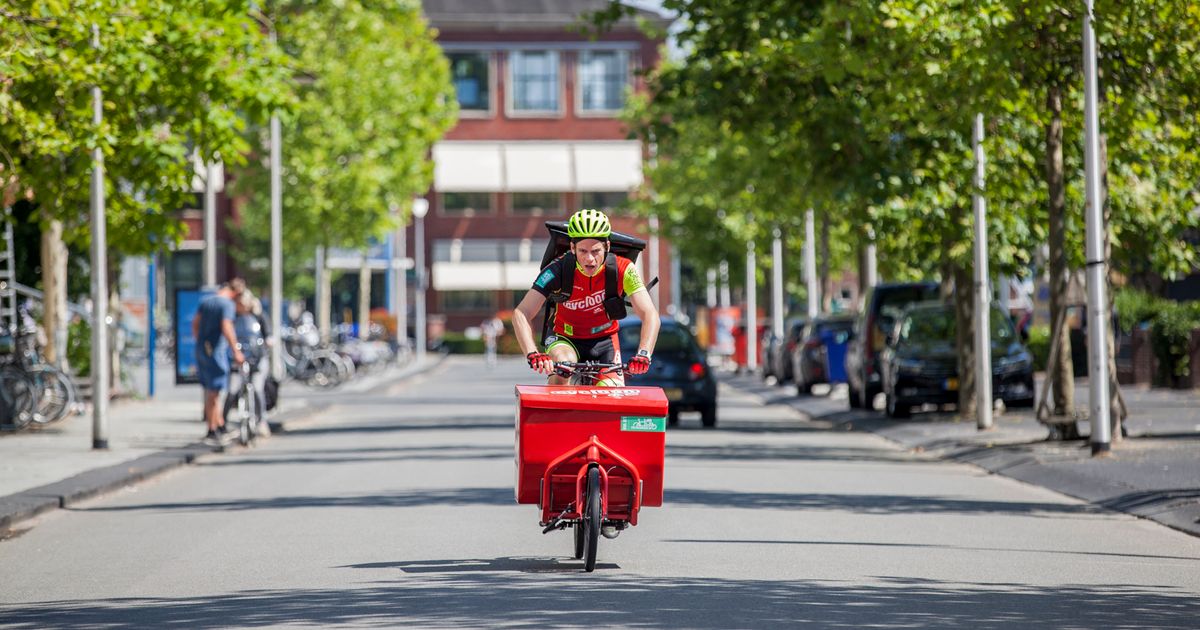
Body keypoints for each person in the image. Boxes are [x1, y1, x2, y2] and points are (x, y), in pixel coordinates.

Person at [512, 208, 659, 385]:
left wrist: (643, 353)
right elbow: (521, 312)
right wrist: (533, 353)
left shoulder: (624, 269)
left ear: (607, 247)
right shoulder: (556, 270)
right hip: (565, 337)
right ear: (572, 247)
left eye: (596, 251)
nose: (590, 259)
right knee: (564, 369)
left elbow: (650, 314)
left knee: (612, 393)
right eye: (582, 251)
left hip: (605, 341)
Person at [193, 279, 245, 444]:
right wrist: (236, 350)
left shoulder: (206, 301)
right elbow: (227, 326)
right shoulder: (227, 304)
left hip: (202, 349)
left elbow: (195, 323)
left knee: (210, 389)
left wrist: (200, 341)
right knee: (216, 391)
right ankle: (213, 428)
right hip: (216, 351)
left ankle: (219, 424)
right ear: (236, 293)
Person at [223, 290, 271, 438]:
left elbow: (268, 334)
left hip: (257, 356)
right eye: (238, 304)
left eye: (243, 304)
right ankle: (222, 422)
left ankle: (262, 421)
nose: (241, 307)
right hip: (238, 357)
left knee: (257, 388)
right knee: (232, 389)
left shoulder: (259, 317)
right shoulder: (233, 318)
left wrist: (269, 341)